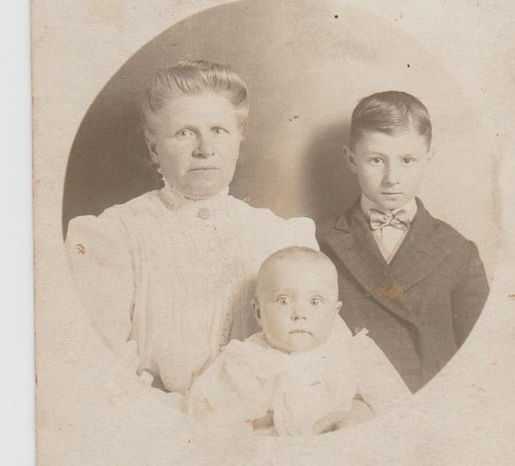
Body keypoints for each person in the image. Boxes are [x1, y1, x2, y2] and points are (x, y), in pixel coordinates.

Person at [65, 60, 319, 396]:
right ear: (154, 147)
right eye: (185, 133)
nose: (205, 149)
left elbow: (319, 359)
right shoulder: (113, 235)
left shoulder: (280, 237)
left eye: (219, 131)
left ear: (239, 140)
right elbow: (99, 370)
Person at [318, 91, 490, 393]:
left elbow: (481, 356)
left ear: (428, 159)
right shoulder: (320, 242)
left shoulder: (459, 251)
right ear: (351, 159)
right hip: (350, 397)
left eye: (407, 160)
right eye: (376, 160)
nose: (392, 178)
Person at [187, 247, 410, 435]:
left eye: (315, 301)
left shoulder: (353, 354)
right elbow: (213, 423)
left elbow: (398, 411)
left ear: (334, 313)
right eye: (283, 300)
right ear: (258, 312)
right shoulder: (244, 361)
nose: (300, 314)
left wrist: (359, 414)